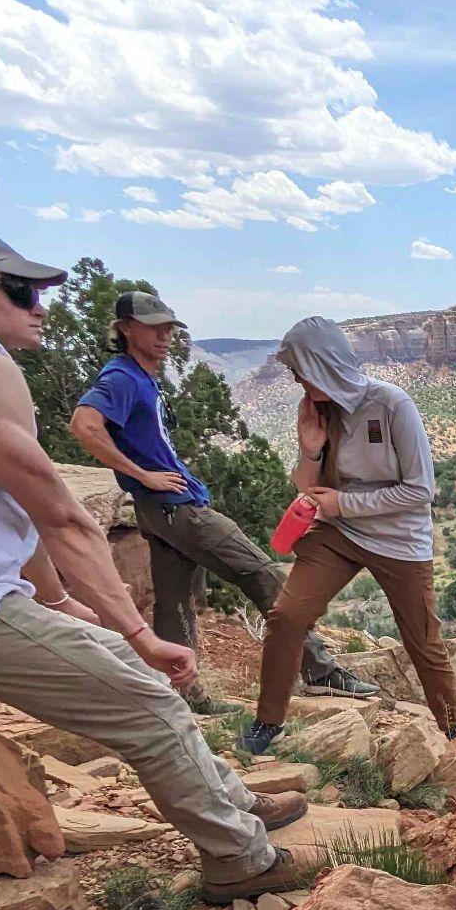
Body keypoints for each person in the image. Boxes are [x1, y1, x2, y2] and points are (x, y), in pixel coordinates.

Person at [0, 219, 307, 904]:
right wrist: (139, 633)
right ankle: (240, 861)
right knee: (148, 701)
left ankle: (230, 800)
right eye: (22, 291)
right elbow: (59, 514)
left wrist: (58, 603)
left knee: (115, 667)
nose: (40, 307)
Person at [67, 291, 375, 717]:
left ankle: (184, 700)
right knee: (263, 574)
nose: (164, 335)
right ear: (125, 329)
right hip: (177, 509)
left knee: (174, 606)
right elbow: (84, 425)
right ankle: (321, 673)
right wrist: (141, 475)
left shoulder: (140, 376)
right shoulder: (121, 377)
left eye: (168, 327)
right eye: (153, 327)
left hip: (158, 513)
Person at [240, 316, 456, 754]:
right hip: (338, 532)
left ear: (325, 364)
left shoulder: (392, 404)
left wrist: (347, 504)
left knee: (422, 640)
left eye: (302, 371)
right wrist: (310, 447)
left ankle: (455, 730)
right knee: (287, 616)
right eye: (294, 373)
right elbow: (307, 486)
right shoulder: (316, 410)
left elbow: (421, 490)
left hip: (398, 538)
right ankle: (268, 721)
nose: (298, 381)